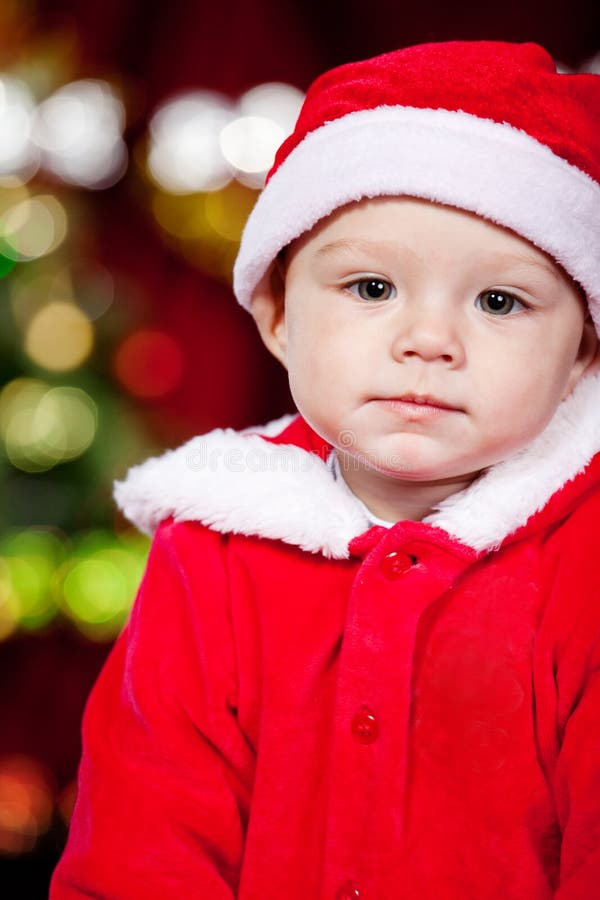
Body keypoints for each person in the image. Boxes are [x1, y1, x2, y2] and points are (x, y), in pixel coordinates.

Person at [50, 40, 600, 899]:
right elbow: (140, 846)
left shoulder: (584, 561)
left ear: (580, 356)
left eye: (500, 301)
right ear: (275, 314)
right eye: (371, 288)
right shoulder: (213, 547)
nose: (428, 341)